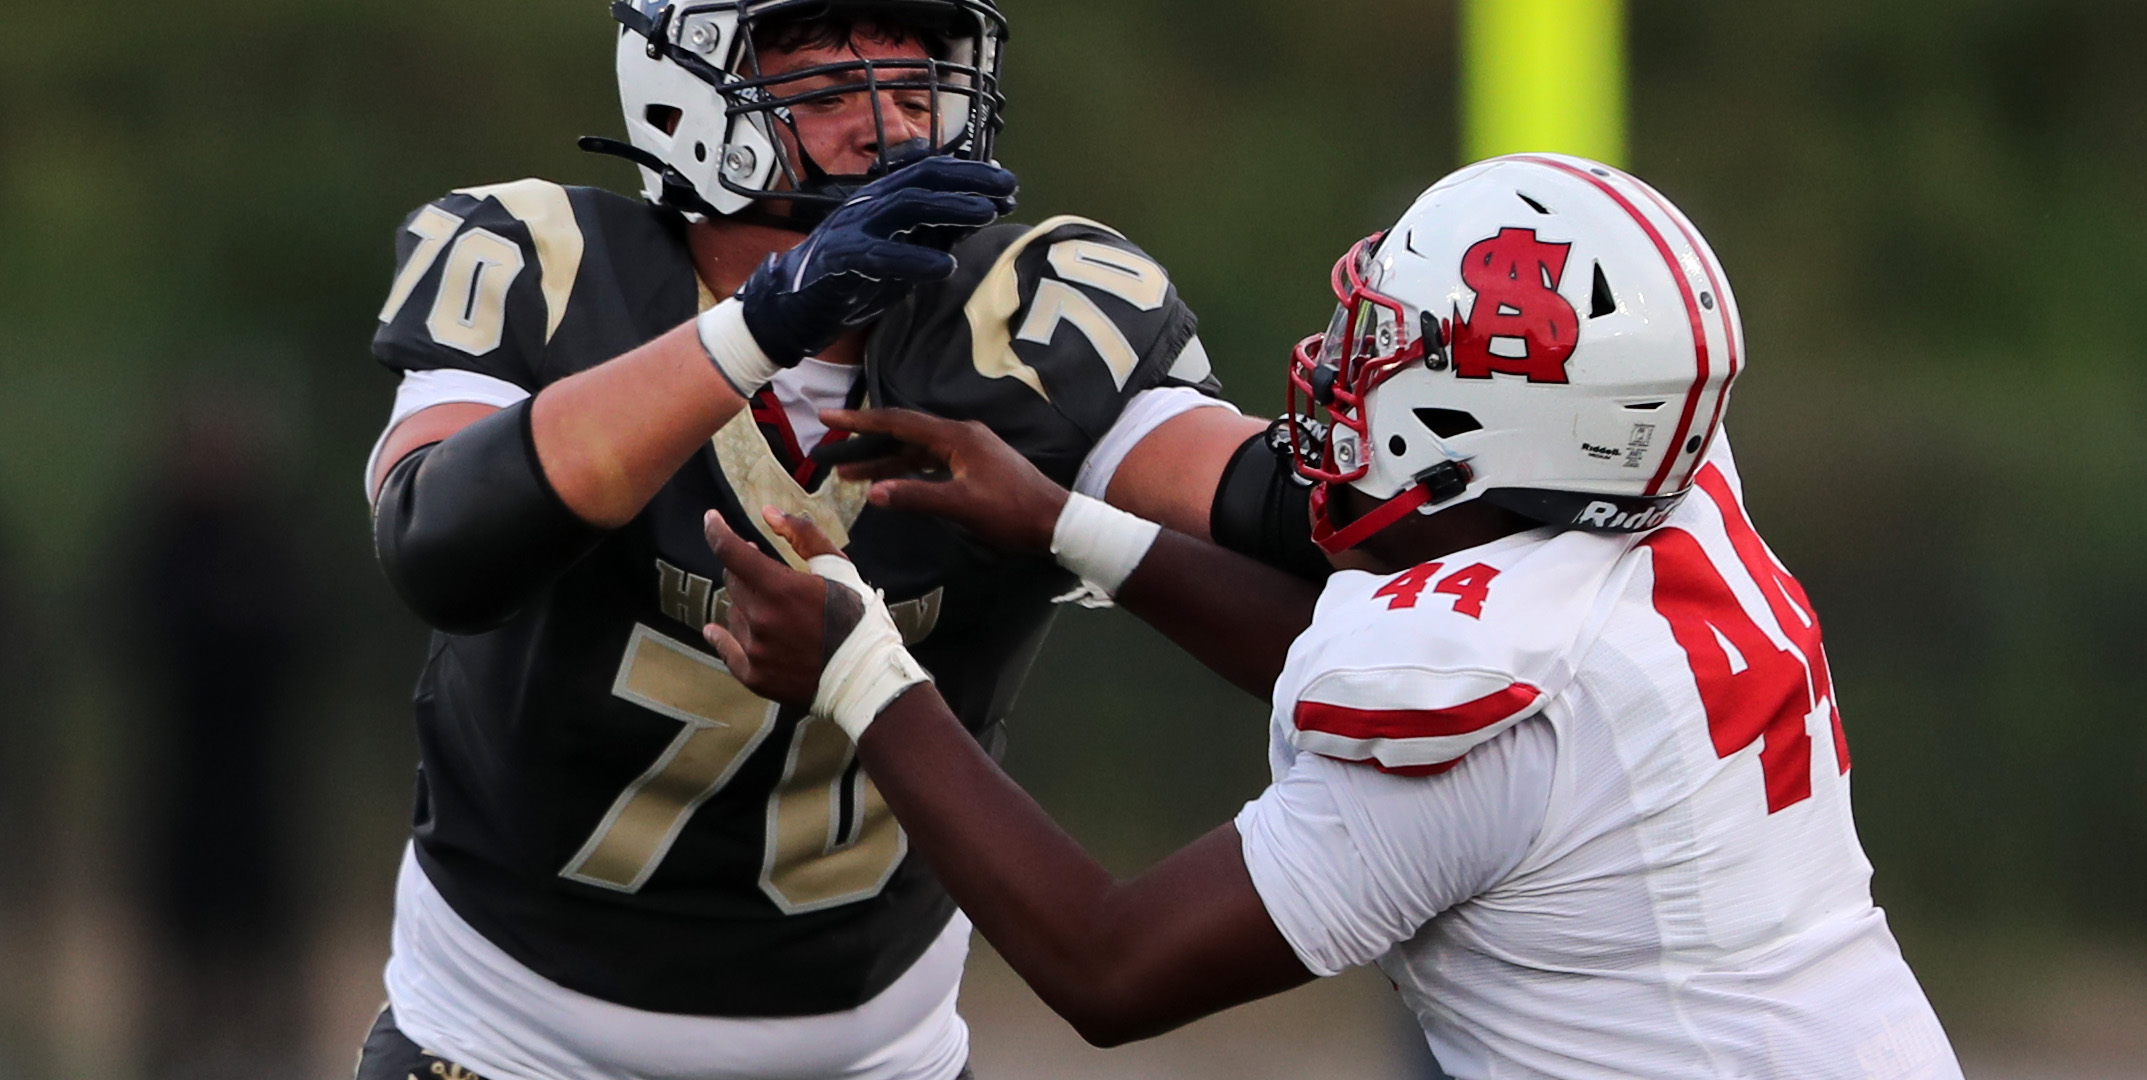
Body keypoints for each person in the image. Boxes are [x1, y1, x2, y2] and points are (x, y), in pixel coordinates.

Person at [702, 153, 1967, 1080]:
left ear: (1482, 429)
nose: (1331, 365)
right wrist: (1061, 522)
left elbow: (1108, 962)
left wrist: (859, 671)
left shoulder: (1485, 707)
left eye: (1384, 348)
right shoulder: (1658, 504)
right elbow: (1335, 642)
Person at [356, 0, 1313, 1080]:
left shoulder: (1031, 313)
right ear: (683, 87)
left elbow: (1271, 514)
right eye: (820, 73)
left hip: (879, 1052)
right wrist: (760, 325)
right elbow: (439, 546)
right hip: (511, 1039)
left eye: (916, 67)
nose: (890, 116)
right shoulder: (538, 261)